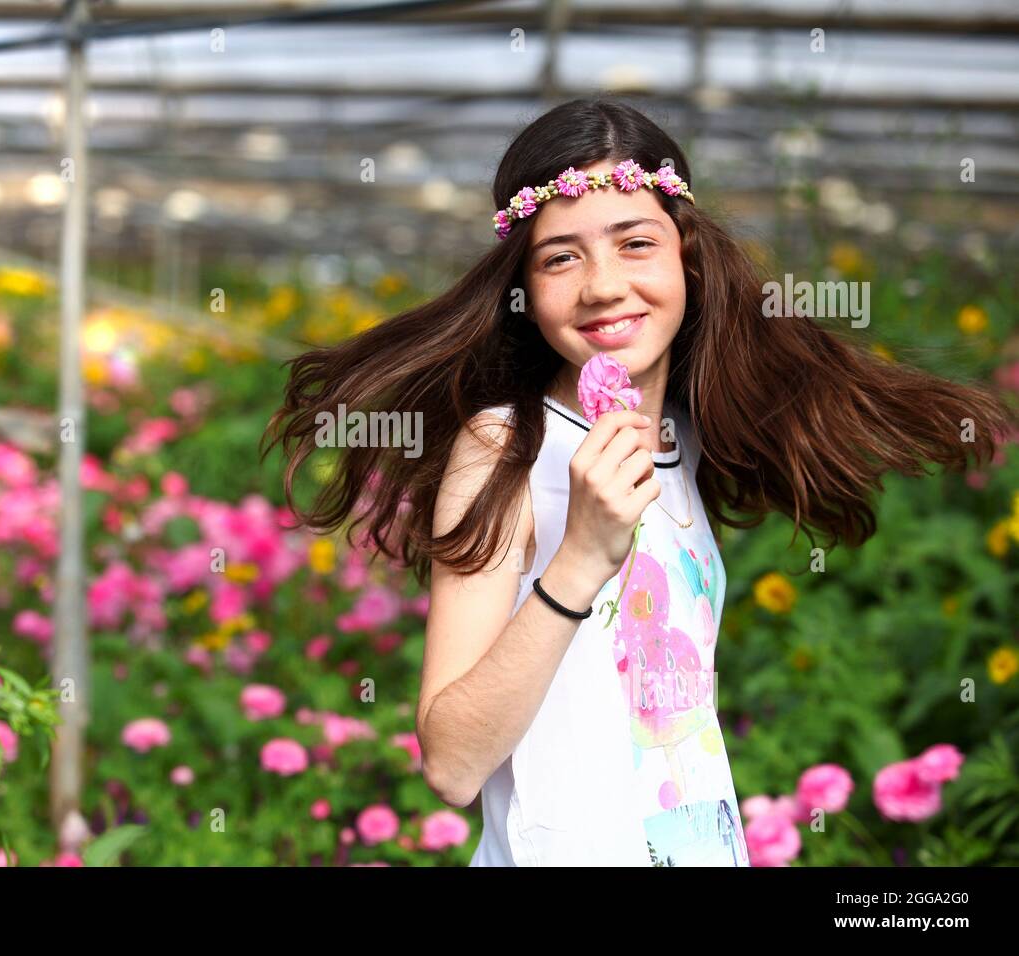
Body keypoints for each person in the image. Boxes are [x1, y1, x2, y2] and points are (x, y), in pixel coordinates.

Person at [261, 98, 1014, 865]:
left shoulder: (683, 440)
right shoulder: (506, 446)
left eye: (635, 243)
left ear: (686, 255)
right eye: (560, 257)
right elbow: (451, 766)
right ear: (522, 284)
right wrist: (582, 556)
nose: (602, 286)